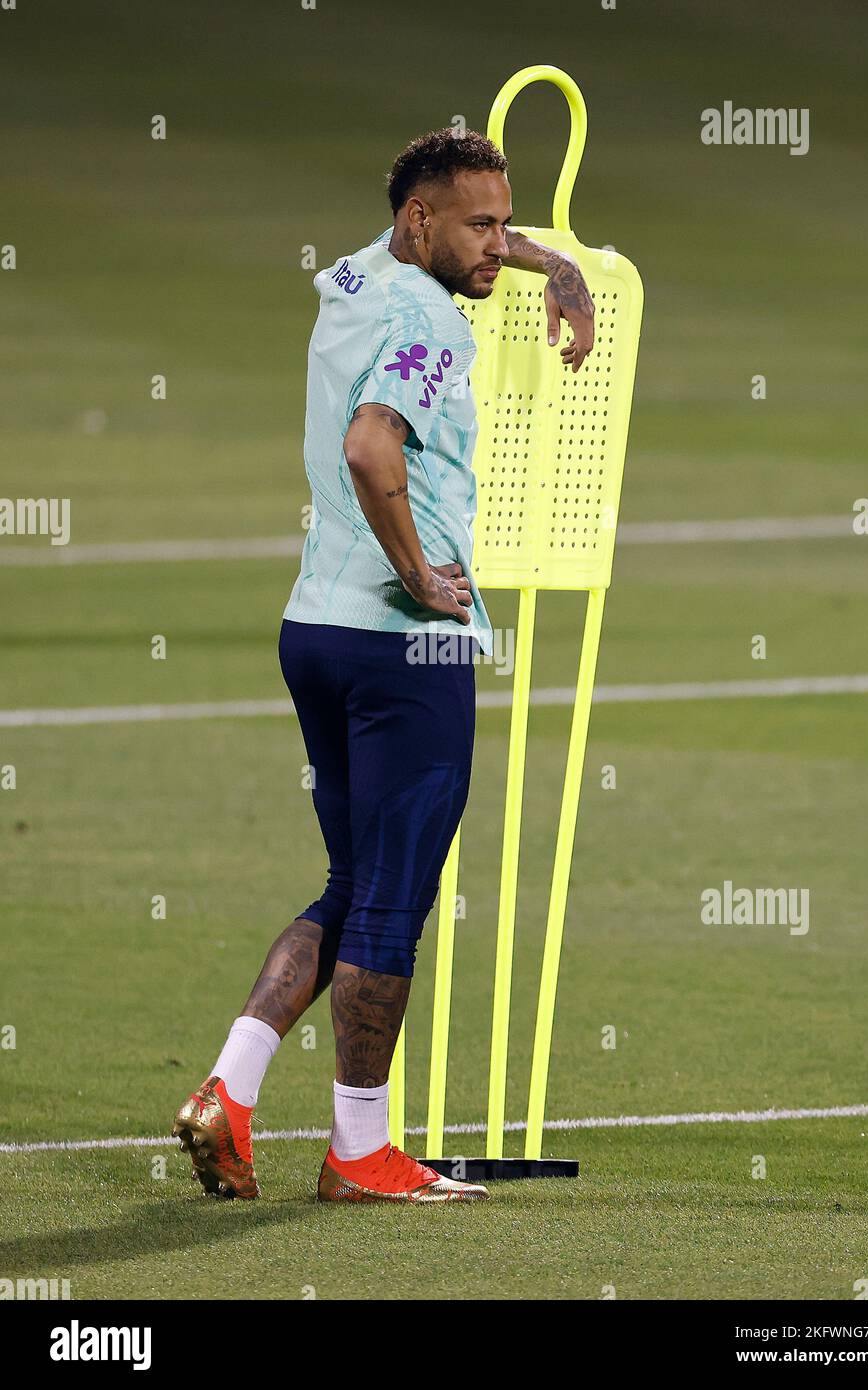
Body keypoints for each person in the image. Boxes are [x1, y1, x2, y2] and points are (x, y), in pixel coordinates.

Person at [173, 128, 594, 1204]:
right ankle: (360, 1152)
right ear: (422, 222)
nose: (500, 244)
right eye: (484, 225)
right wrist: (418, 575)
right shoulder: (425, 321)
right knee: (393, 901)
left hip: (315, 625)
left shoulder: (360, 275)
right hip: (404, 641)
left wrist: (563, 267)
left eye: (508, 223)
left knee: (351, 882)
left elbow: (460, 242)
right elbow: (373, 445)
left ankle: (230, 1085)